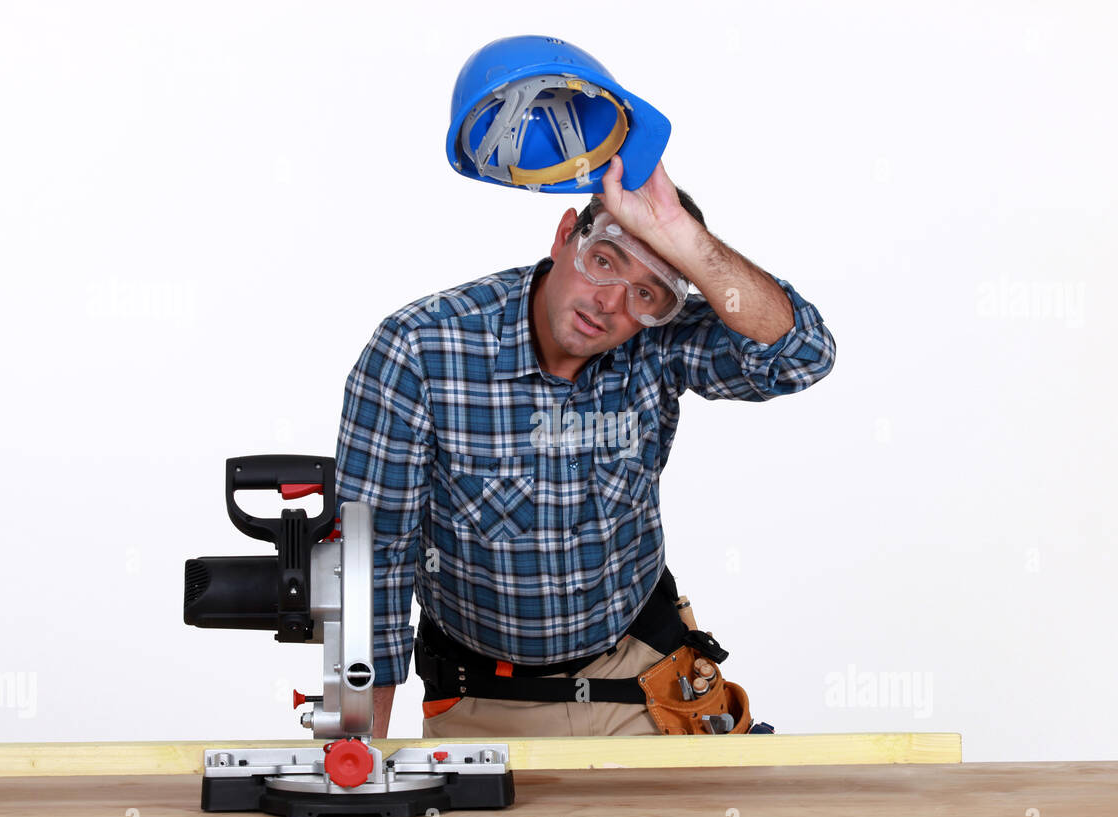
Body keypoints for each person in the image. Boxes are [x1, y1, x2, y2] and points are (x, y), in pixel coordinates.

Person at [335, 154, 836, 738]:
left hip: (648, 682)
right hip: (487, 700)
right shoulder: (420, 350)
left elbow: (802, 356)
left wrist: (683, 236)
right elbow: (375, 558)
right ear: (563, 236)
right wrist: (361, 752)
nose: (610, 303)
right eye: (603, 262)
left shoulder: (657, 343)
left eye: (647, 293)